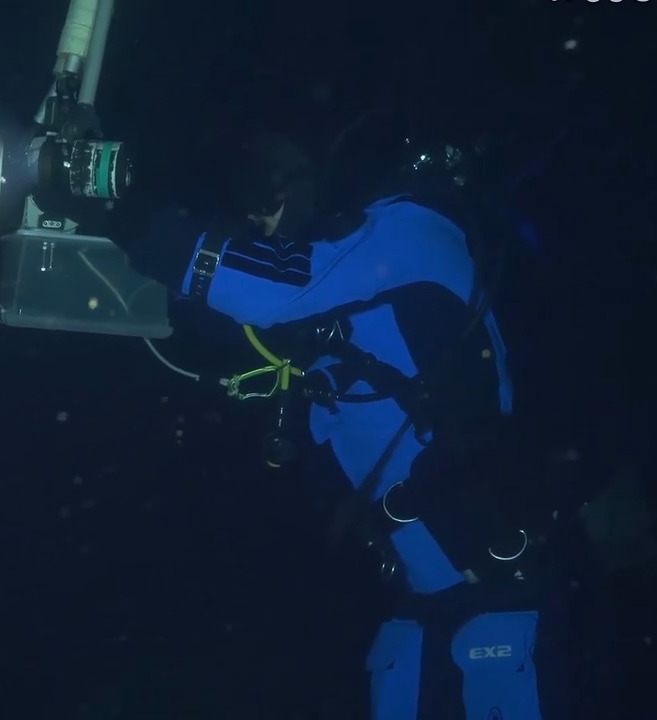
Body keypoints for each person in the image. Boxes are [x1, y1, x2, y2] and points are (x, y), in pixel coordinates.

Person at [98, 132, 566, 719]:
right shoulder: (364, 286)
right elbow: (249, 328)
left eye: (271, 193)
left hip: (493, 596)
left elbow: (276, 286)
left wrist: (117, 209)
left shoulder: (410, 230)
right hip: (427, 606)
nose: (258, 217)